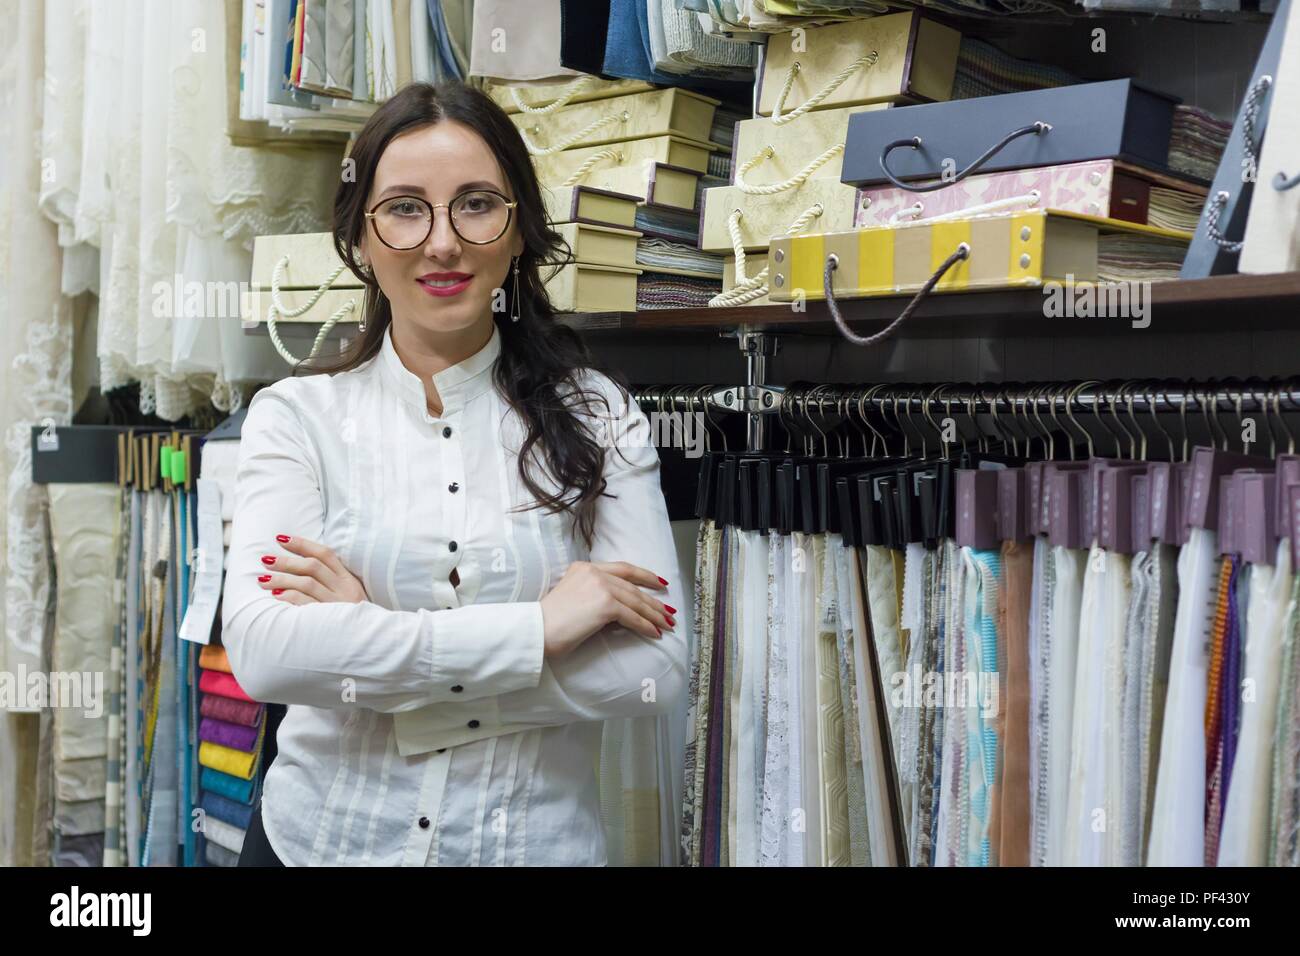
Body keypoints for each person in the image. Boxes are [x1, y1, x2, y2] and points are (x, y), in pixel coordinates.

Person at [223, 81, 685, 866]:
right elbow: (268, 653)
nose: (442, 243)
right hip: (318, 846)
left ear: (516, 231)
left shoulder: (599, 415)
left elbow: (654, 670)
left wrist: (372, 649)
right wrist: (540, 630)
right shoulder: (295, 418)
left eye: (475, 204)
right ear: (361, 238)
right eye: (404, 207)